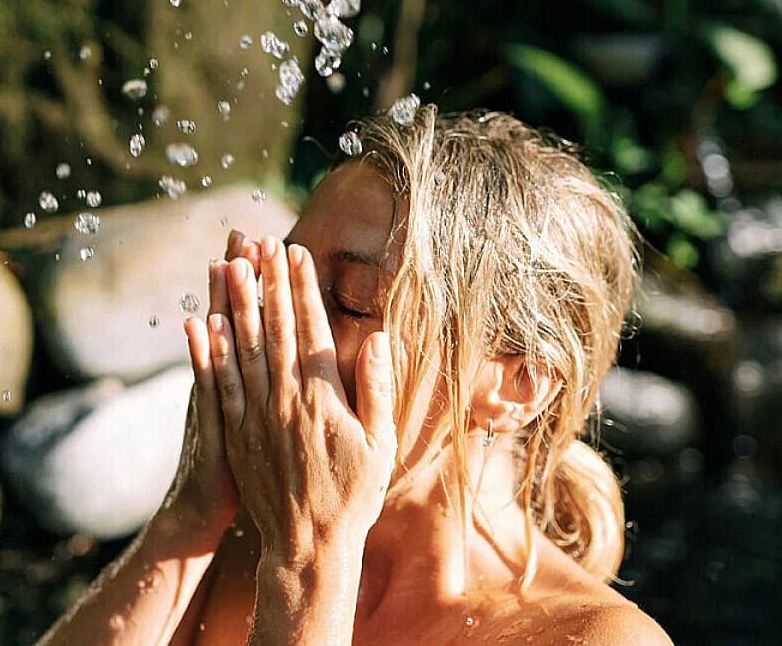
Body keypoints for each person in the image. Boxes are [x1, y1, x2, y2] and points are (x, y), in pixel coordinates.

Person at [37, 107, 673, 644]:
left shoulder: (590, 639)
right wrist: (191, 511)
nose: (276, 329)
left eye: (348, 302)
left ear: (517, 383)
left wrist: (310, 563)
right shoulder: (237, 543)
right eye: (283, 283)